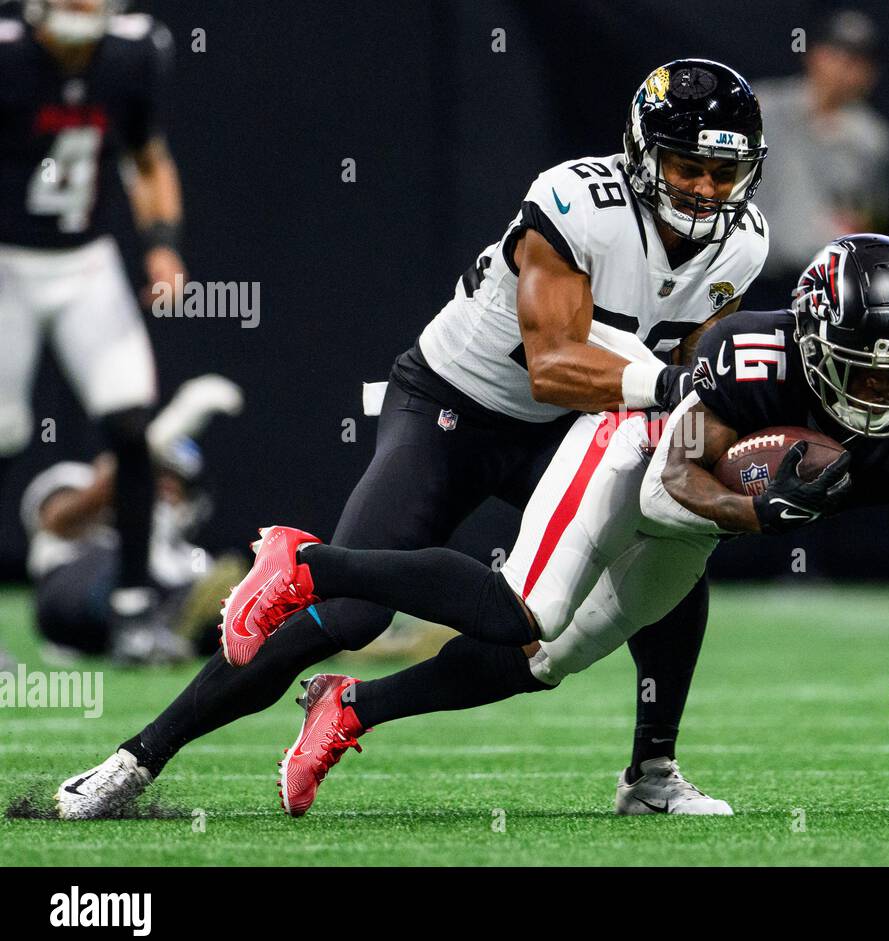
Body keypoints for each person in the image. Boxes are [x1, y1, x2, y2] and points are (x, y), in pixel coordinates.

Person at [168, 235, 889, 818]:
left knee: (544, 663)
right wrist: (754, 508)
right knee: (522, 607)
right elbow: (685, 477)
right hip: (633, 460)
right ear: (816, 344)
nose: (884, 396)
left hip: (699, 530)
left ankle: (351, 709)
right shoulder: (749, 356)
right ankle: (309, 561)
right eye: (863, 371)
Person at [55, 59, 770, 819]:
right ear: (642, 154)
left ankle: (651, 773)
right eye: (688, 167)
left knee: (668, 549)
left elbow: (690, 360)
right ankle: (137, 758)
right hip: (454, 407)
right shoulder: (577, 204)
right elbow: (556, 365)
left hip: (572, 429)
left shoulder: (744, 244)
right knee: (353, 615)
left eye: (725, 174)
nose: (705, 189)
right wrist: (670, 387)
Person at [0, 0, 186, 656]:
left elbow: (148, 156)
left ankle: (134, 609)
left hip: (85, 262)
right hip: (7, 263)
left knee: (131, 422)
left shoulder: (133, 54)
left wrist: (161, 244)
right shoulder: (9, 54)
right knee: (3, 434)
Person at [21, 375, 244, 663]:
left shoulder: (188, 560)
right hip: (70, 600)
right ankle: (160, 622)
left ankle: (169, 628)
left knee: (227, 588)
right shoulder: (80, 482)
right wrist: (170, 428)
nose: (162, 489)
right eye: (154, 475)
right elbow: (58, 519)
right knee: (126, 563)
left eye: (173, 483)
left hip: (144, 605)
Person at [753, 9, 889, 284]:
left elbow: (874, 218)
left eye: (856, 62)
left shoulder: (873, 140)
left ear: (870, 74)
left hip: (817, 282)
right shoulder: (761, 106)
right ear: (813, 55)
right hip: (743, 270)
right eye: (836, 55)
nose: (843, 70)